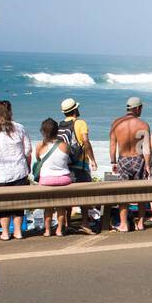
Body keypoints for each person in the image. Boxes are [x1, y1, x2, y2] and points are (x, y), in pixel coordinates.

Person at [0, 100, 32, 241]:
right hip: (19, 171)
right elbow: (27, 150)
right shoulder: (19, 128)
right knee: (18, 204)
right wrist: (28, 168)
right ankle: (18, 232)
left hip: (0, 173)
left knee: (3, 204)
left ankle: (5, 232)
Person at [110, 97, 152, 232]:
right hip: (138, 159)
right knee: (140, 193)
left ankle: (124, 224)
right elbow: (145, 148)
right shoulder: (143, 125)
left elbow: (112, 145)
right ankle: (140, 223)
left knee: (124, 193)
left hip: (123, 159)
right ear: (138, 108)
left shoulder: (116, 124)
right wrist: (147, 165)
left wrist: (113, 161)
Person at [59, 96, 97, 234]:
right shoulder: (80, 123)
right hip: (80, 165)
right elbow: (86, 141)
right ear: (75, 109)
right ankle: (85, 224)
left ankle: (67, 224)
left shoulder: (60, 125)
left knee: (68, 195)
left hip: (65, 164)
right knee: (84, 195)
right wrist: (92, 159)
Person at [35, 117, 72, 237]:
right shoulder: (65, 146)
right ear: (57, 131)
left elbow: (38, 160)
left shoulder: (40, 146)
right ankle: (59, 230)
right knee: (61, 205)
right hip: (64, 179)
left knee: (48, 207)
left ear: (43, 131)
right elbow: (69, 159)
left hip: (46, 179)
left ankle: (47, 230)